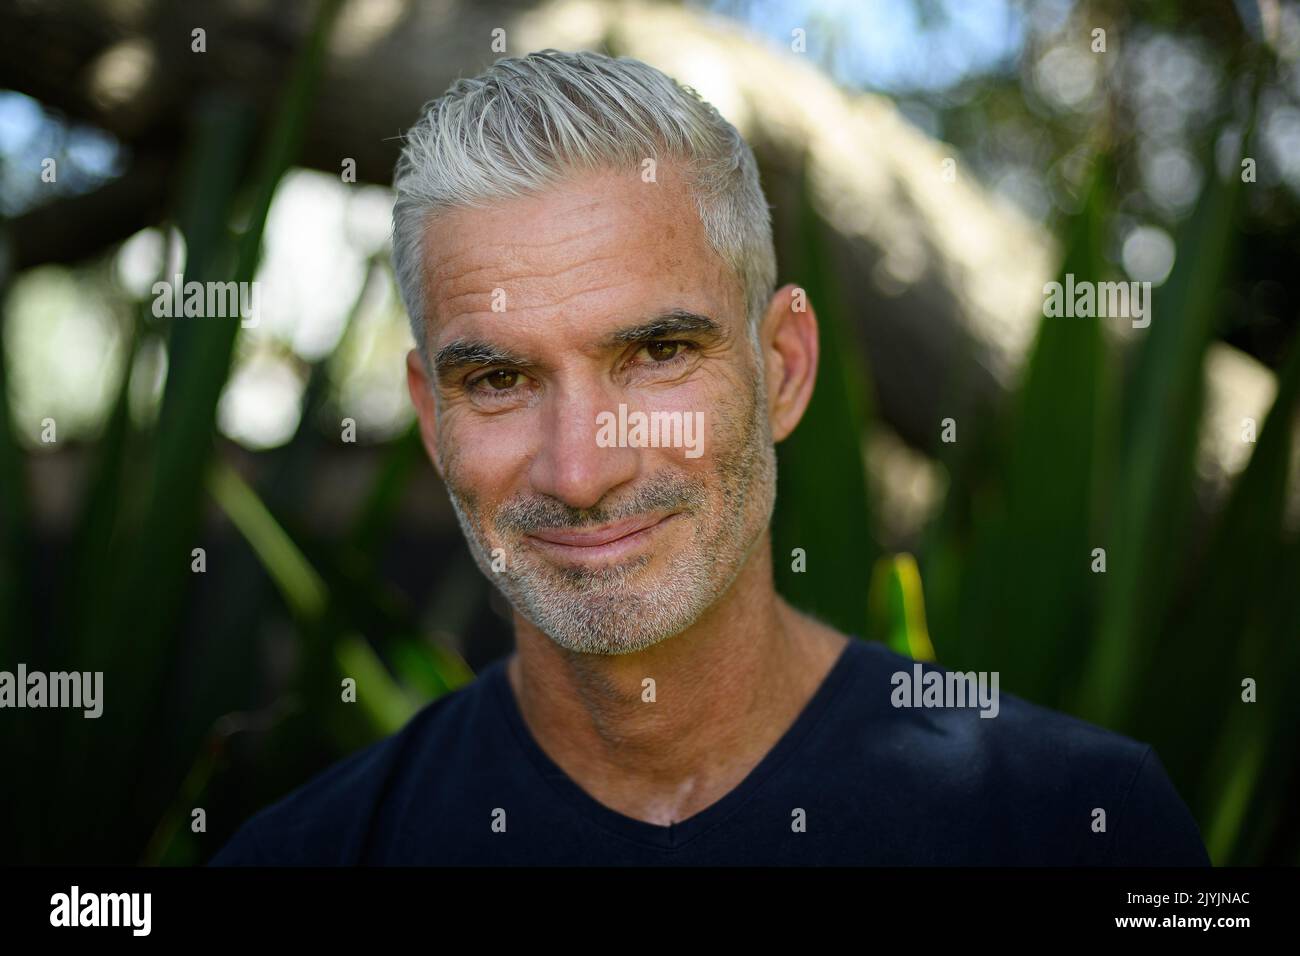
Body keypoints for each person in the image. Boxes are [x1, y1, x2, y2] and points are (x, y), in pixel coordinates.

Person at [210, 50, 1209, 866]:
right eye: (501, 381)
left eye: (655, 354)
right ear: (432, 419)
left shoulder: (1080, 825)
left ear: (781, 367)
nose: (580, 469)